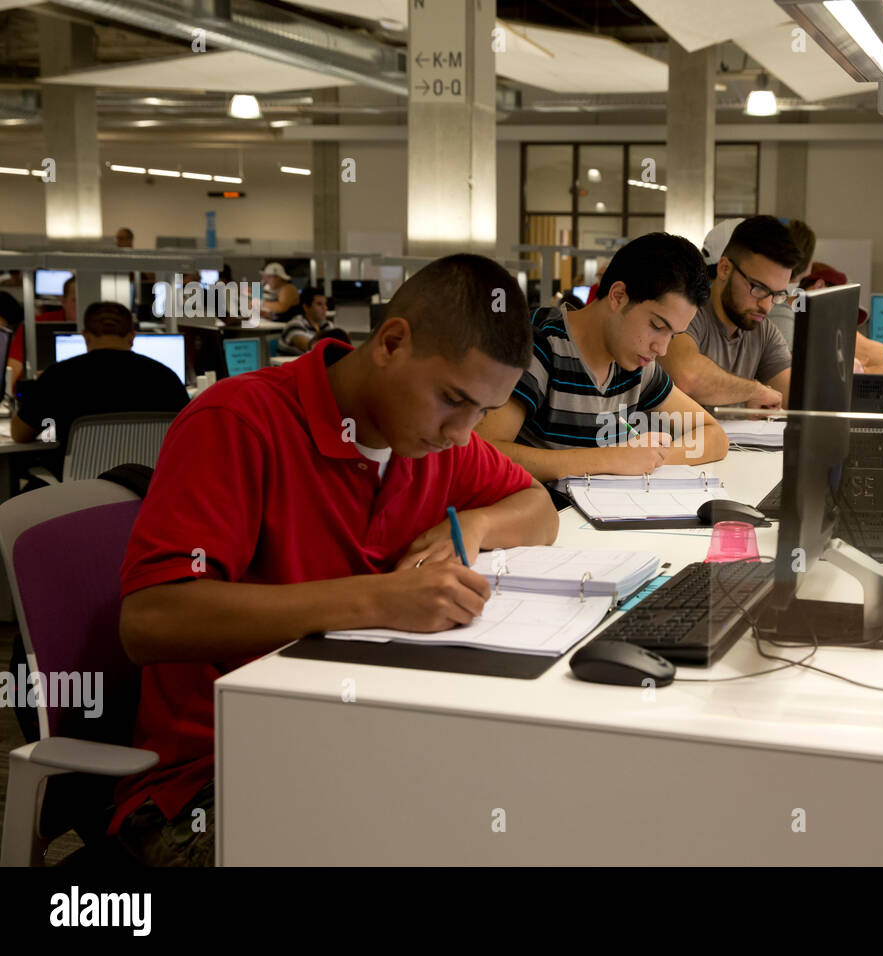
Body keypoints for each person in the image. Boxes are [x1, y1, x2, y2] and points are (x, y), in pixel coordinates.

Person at [111, 255, 559, 866]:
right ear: (392, 342)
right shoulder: (240, 422)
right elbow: (151, 620)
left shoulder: (432, 447)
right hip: (218, 781)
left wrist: (474, 526)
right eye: (453, 399)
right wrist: (377, 601)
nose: (461, 432)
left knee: (535, 810)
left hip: (358, 744)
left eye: (482, 412)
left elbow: (538, 508)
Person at [475, 232, 728, 483]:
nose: (661, 349)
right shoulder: (539, 346)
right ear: (618, 296)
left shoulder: (636, 363)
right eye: (656, 325)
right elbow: (482, 454)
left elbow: (714, 435)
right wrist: (611, 460)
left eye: (673, 335)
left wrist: (650, 458)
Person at [9, 302, 190, 474]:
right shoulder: (166, 377)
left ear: (85, 336)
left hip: (81, 487)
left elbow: (19, 434)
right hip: (146, 484)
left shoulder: (59, 375)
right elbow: (186, 436)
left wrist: (38, 392)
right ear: (132, 338)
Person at [658, 216, 797, 409]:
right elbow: (687, 376)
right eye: (758, 288)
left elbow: (798, 398)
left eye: (776, 295)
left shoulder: (763, 331)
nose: (766, 306)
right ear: (724, 268)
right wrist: (754, 391)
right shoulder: (687, 311)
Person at [766, 220, 883, 375]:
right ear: (818, 286)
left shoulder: (795, 311)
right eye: (838, 305)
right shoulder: (783, 308)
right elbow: (791, 375)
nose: (841, 319)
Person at [278, 287, 336, 355]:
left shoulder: (327, 325)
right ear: (306, 307)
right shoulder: (294, 325)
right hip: (293, 365)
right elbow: (309, 347)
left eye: (325, 304)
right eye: (319, 304)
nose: (325, 308)